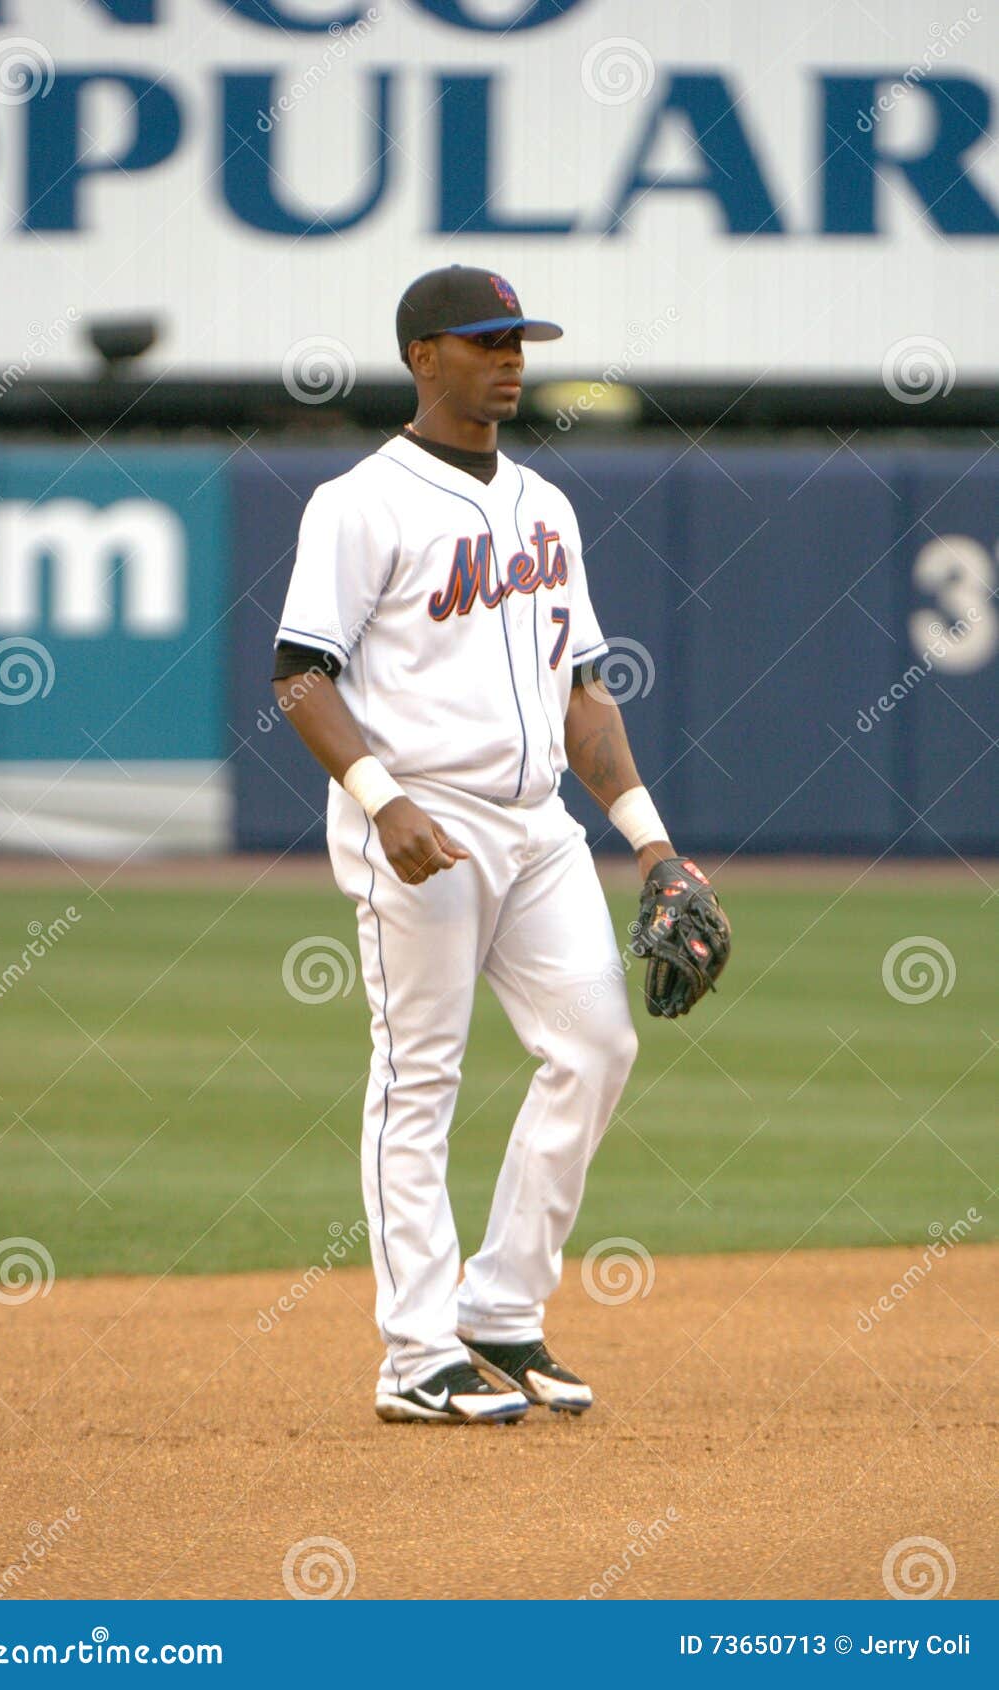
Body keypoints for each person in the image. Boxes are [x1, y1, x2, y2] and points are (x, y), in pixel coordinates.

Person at [272, 265, 721, 1425]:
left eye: (520, 339)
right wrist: (380, 799)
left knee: (597, 1045)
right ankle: (415, 1352)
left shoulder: (545, 507)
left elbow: (583, 694)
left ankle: (500, 1307)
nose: (512, 358)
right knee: (417, 1077)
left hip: (537, 827)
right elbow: (298, 674)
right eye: (486, 341)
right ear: (424, 356)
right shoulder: (359, 501)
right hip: (420, 824)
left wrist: (654, 845)